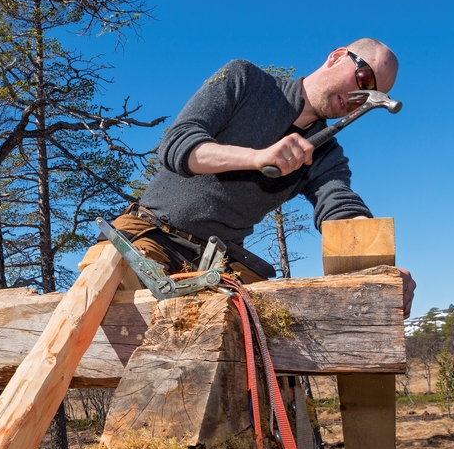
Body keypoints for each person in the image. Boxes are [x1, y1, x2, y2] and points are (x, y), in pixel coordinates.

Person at [109, 38, 416, 316]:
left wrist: (382, 272)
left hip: (218, 261)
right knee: (96, 305)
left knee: (279, 337)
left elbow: (339, 206)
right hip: (148, 235)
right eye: (364, 79)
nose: (361, 97)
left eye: (372, 95)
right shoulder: (245, 80)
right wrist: (257, 158)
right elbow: (178, 146)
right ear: (337, 56)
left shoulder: (325, 153)